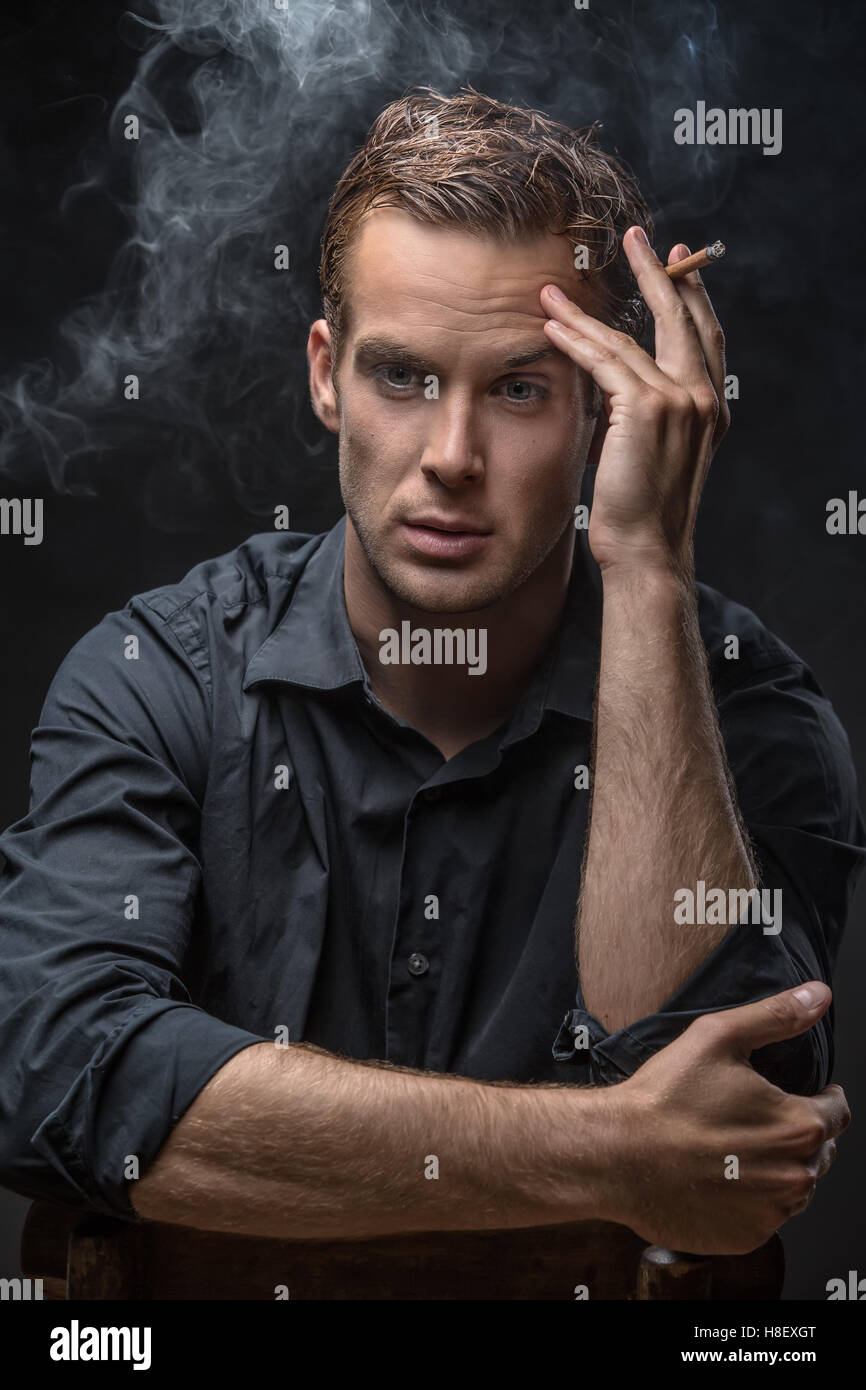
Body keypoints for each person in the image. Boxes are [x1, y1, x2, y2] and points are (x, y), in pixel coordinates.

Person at [0, 87, 861, 1260]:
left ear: (608, 415)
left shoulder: (750, 712)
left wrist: (649, 567)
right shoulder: (158, 674)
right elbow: (64, 1081)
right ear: (325, 375)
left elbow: (722, 1147)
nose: (450, 459)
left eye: (517, 388)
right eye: (401, 377)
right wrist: (607, 1149)